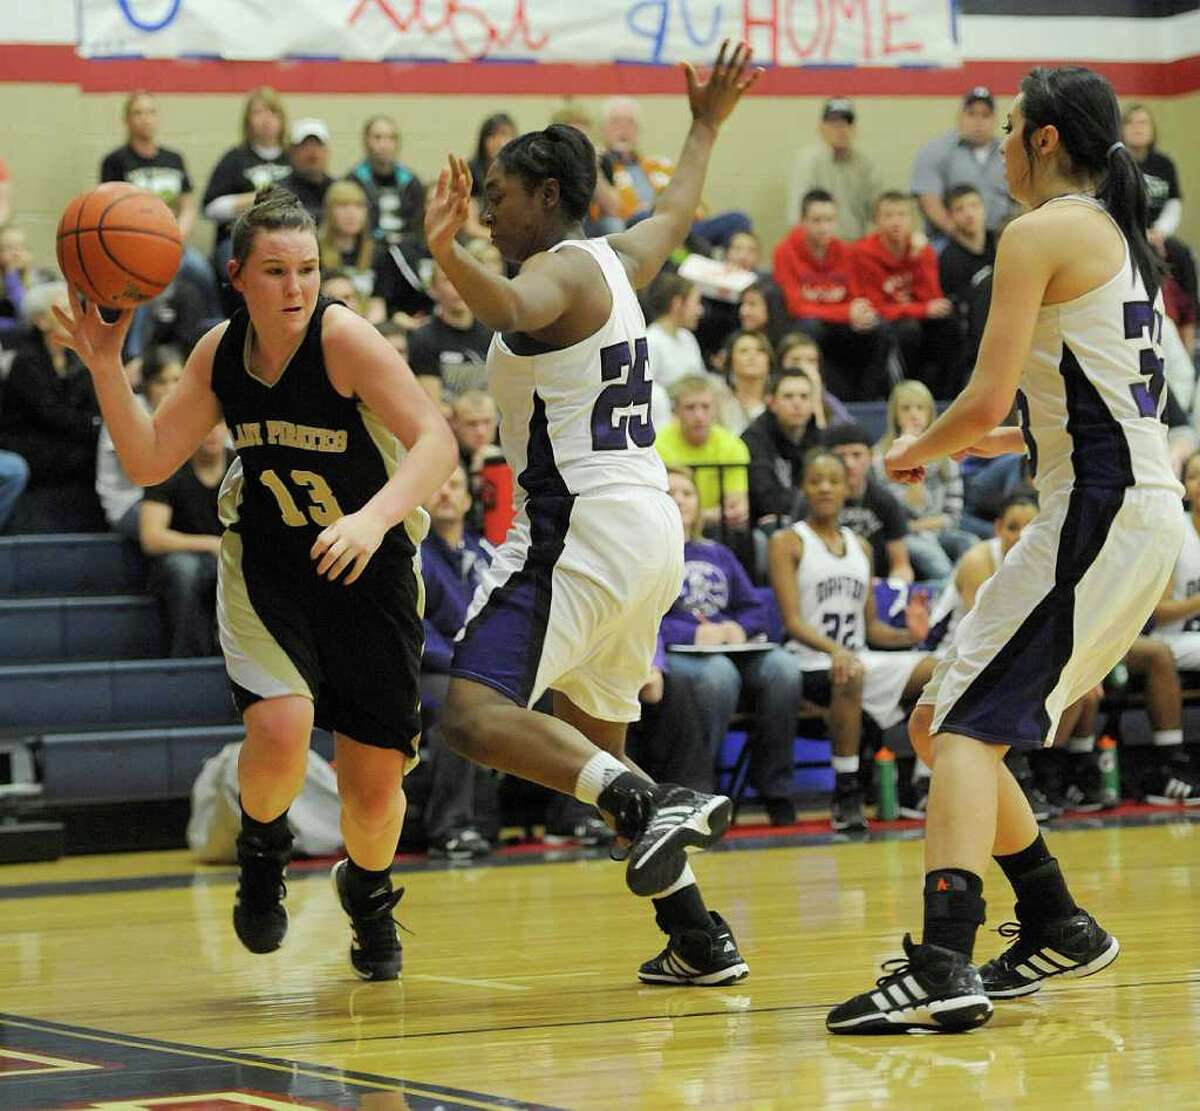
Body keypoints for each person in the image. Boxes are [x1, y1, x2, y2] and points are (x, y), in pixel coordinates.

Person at [829, 65, 1185, 1035]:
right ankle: (1053, 918)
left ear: (1041, 138)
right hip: (1121, 504)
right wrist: (991, 439)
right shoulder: (1115, 236)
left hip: (1100, 511)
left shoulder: (1039, 232)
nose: (995, 145)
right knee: (941, 722)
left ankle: (944, 961)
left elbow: (984, 400)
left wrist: (913, 450)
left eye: (1009, 128)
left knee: (958, 732)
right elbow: (1060, 406)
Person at [53, 186, 457, 982]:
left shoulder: (345, 339)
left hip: (368, 571)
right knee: (280, 726)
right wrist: (106, 368)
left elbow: (436, 441)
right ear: (237, 276)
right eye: (276, 271)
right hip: (268, 566)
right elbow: (146, 461)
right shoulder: (218, 350)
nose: (297, 288)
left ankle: (370, 895)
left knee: (372, 793)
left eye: (308, 269)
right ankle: (262, 851)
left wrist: (372, 519)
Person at [423, 40, 762, 986]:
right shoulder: (618, 257)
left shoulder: (564, 272)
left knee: (470, 712)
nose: (488, 206)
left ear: (545, 193)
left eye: (499, 189)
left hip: (579, 526)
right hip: (647, 525)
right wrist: (702, 125)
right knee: (588, 750)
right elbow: (680, 208)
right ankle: (699, 936)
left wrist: (445, 248)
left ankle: (657, 797)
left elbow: (509, 297)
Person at [769, 449, 933, 832]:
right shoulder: (788, 542)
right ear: (802, 487)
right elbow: (792, 621)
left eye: (833, 481)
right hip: (808, 662)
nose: (825, 488)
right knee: (850, 671)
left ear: (847, 488)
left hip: (856, 656)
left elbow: (871, 627)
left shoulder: (861, 546)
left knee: (941, 671)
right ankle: (846, 792)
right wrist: (835, 651)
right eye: (815, 481)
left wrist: (911, 635)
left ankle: (918, 782)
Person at [660, 467, 806, 826]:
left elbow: (755, 606)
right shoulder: (647, 554)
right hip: (678, 655)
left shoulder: (718, 553)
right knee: (718, 677)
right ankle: (700, 791)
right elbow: (640, 617)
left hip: (732, 648)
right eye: (671, 493)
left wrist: (737, 627)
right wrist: (690, 634)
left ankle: (775, 788)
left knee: (783, 669)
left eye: (687, 493)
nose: (680, 500)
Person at [419, 466, 497, 859]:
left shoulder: (488, 555)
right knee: (460, 708)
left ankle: (571, 818)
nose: (446, 493)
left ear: (469, 500)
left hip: (485, 669)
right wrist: (466, 665)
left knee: (558, 695)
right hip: (431, 671)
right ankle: (450, 827)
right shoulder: (412, 554)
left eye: (455, 486)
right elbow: (414, 630)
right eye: (437, 485)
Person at [100, 90, 220, 319]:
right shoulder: (115, 161)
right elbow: (109, 210)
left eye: (151, 112)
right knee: (141, 291)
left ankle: (213, 334)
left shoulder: (173, 159)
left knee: (203, 274)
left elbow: (187, 205)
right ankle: (135, 351)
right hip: (136, 249)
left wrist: (177, 235)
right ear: (127, 120)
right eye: (138, 113)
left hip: (174, 244)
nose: (145, 118)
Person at [0, 281, 103, 531]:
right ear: (42, 321)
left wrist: (95, 426)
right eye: (66, 309)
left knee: (98, 453)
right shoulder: (26, 360)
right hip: (27, 444)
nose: (76, 316)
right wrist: (93, 426)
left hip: (65, 443)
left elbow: (92, 409)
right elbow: (51, 413)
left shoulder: (77, 357)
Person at [772, 189, 887, 401]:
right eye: (816, 220)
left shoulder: (846, 251)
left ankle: (868, 402)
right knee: (810, 326)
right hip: (805, 325)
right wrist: (846, 312)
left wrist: (861, 314)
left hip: (838, 325)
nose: (824, 227)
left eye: (829, 220)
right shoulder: (785, 251)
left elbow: (857, 299)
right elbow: (796, 307)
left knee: (878, 329)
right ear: (803, 221)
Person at [851, 192, 959, 399]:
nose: (895, 222)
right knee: (908, 329)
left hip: (916, 316)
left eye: (901, 215)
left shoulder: (921, 250)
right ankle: (902, 395)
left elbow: (933, 298)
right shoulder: (863, 252)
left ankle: (944, 397)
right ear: (877, 220)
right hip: (887, 321)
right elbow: (875, 306)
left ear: (911, 220)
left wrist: (916, 260)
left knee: (950, 326)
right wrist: (920, 309)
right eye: (888, 215)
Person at [139, 422, 230, 657]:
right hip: (181, 558)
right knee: (184, 569)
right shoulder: (168, 468)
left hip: (230, 556)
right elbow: (151, 537)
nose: (211, 432)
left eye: (217, 425)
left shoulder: (243, 469)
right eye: (204, 426)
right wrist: (211, 544)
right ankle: (190, 657)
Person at [874, 380, 976, 581]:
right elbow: (904, 511)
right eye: (906, 408)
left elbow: (953, 515)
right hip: (903, 538)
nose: (914, 414)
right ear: (895, 415)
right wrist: (913, 456)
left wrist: (922, 526)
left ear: (930, 414)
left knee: (970, 543)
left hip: (939, 531)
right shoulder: (881, 458)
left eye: (920, 408)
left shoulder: (947, 456)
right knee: (932, 557)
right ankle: (948, 596)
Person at [202, 87, 291, 310]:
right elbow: (210, 208)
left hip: (288, 237)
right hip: (238, 241)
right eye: (258, 113)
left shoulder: (293, 157)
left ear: (282, 119)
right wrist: (257, 198)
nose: (266, 120)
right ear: (247, 120)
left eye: (272, 112)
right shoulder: (236, 158)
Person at [97, 344, 183, 540]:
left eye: (177, 380)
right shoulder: (125, 409)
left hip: (176, 500)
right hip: (130, 503)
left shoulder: (188, 410)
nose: (170, 389)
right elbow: (139, 465)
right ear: (147, 384)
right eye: (161, 382)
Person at [911, 87, 1016, 240]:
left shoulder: (1009, 153)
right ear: (960, 117)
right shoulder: (935, 152)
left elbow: (1025, 199)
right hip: (951, 238)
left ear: (995, 120)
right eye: (972, 114)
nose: (978, 121)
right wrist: (961, 237)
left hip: (1001, 238)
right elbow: (929, 200)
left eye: (985, 115)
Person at [656, 375, 750, 535]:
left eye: (705, 407)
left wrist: (696, 515)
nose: (699, 416)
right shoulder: (658, 445)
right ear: (676, 410)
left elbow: (736, 511)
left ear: (715, 410)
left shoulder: (732, 446)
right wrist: (710, 514)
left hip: (716, 529)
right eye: (690, 407)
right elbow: (657, 507)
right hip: (670, 526)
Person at [821, 422, 914, 583]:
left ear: (871, 457)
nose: (849, 463)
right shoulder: (814, 500)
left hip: (876, 582)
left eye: (856, 455)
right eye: (841, 456)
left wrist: (893, 588)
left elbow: (901, 565)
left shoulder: (886, 501)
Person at [786, 98, 882, 242]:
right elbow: (797, 217)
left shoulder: (866, 164)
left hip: (857, 248)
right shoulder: (807, 162)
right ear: (821, 128)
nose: (840, 129)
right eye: (833, 123)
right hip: (819, 249)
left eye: (845, 123)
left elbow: (878, 214)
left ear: (854, 129)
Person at [742, 365, 821, 523]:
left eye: (804, 397)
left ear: (813, 403)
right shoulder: (754, 438)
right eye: (788, 396)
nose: (797, 403)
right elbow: (766, 498)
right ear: (772, 402)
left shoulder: (820, 437)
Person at [405, 263, 493, 403]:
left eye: (465, 279)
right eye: (449, 280)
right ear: (433, 290)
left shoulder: (495, 335)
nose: (459, 287)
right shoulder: (423, 338)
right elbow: (433, 406)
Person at [938, 184, 997, 384]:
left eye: (974, 205)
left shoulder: (1000, 242)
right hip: (972, 339)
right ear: (949, 216)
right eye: (960, 209)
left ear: (984, 209)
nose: (969, 213)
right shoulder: (949, 258)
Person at [345, 114, 425, 245]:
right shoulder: (353, 182)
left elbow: (419, 226)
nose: (384, 144)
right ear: (366, 142)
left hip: (407, 249)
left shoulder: (411, 182)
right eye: (377, 137)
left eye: (390, 138)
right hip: (366, 249)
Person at [644, 272, 706, 390]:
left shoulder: (688, 337)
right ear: (677, 303)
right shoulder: (651, 342)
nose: (700, 310)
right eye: (696, 302)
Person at [280, 118, 335, 225]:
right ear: (291, 152)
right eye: (305, 146)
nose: (313, 153)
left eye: (318, 145)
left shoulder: (337, 190)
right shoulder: (279, 193)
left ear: (327, 151)